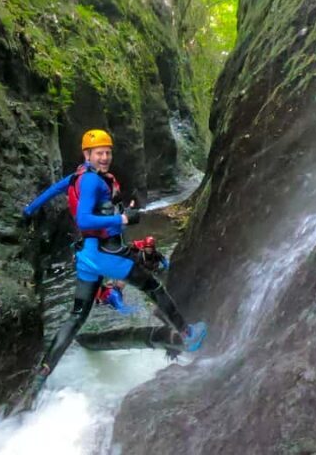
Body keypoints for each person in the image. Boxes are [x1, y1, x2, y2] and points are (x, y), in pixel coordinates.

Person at [21, 129, 207, 400]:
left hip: (86, 257)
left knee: (76, 317)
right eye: (100, 153)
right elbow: (84, 220)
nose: (105, 157)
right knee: (153, 286)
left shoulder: (77, 177)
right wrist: (122, 220)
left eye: (108, 152)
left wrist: (29, 211)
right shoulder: (92, 183)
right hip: (104, 256)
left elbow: (51, 192)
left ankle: (43, 374)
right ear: (88, 154)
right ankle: (188, 333)